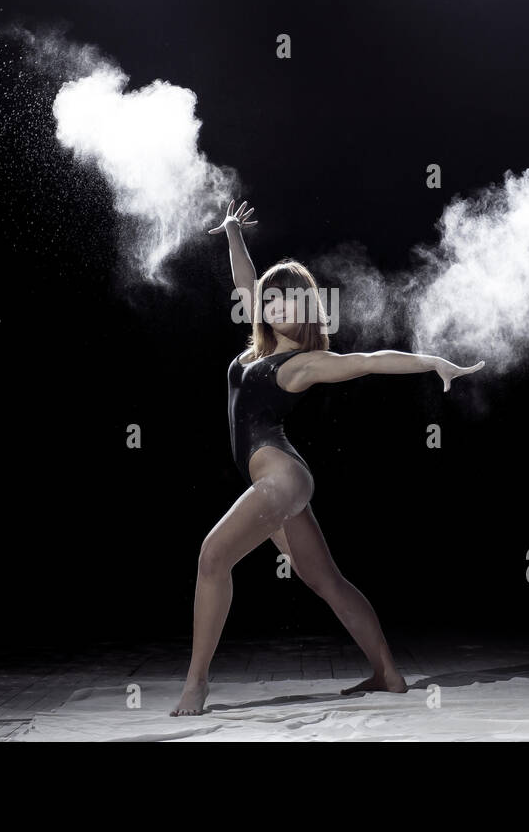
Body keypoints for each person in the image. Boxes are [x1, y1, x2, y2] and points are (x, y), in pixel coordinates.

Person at [171, 198, 484, 716]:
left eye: (286, 301)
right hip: (280, 481)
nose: (272, 307)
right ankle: (388, 673)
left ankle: (196, 684)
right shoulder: (261, 348)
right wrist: (232, 233)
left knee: (211, 556)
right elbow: (247, 282)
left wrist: (432, 363)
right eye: (270, 301)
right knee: (327, 582)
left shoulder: (303, 363)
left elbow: (365, 362)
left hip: (281, 477)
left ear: (308, 309)